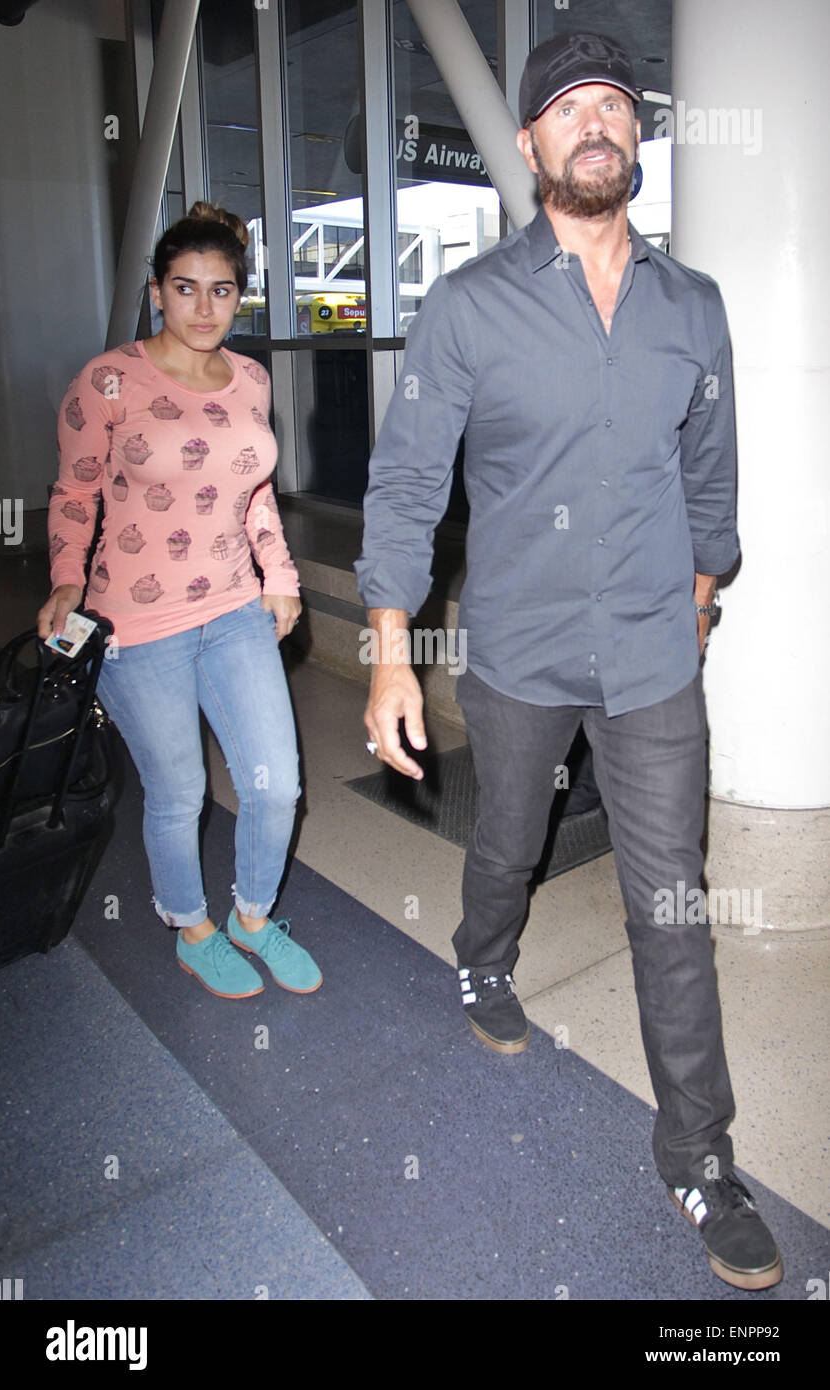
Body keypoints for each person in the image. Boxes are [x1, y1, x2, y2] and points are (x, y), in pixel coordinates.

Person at [355, 32, 781, 1290]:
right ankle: (484, 956)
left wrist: (700, 593)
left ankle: (698, 1156)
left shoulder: (691, 307)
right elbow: (405, 486)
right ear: (532, 146)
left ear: (634, 140)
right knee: (508, 844)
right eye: (567, 107)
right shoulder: (472, 307)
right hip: (523, 651)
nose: (594, 120)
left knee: (673, 908)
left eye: (614, 103)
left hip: (653, 654)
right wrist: (389, 655)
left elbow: (712, 479)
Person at [38, 202, 321, 1001]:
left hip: (234, 609)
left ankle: (254, 918)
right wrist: (65, 580)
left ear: (241, 296)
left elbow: (255, 493)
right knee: (180, 792)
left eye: (223, 291)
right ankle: (193, 929)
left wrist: (282, 578)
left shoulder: (252, 379)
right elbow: (74, 492)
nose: (205, 309)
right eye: (186, 289)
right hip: (136, 624)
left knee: (274, 785)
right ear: (157, 291)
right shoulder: (108, 380)